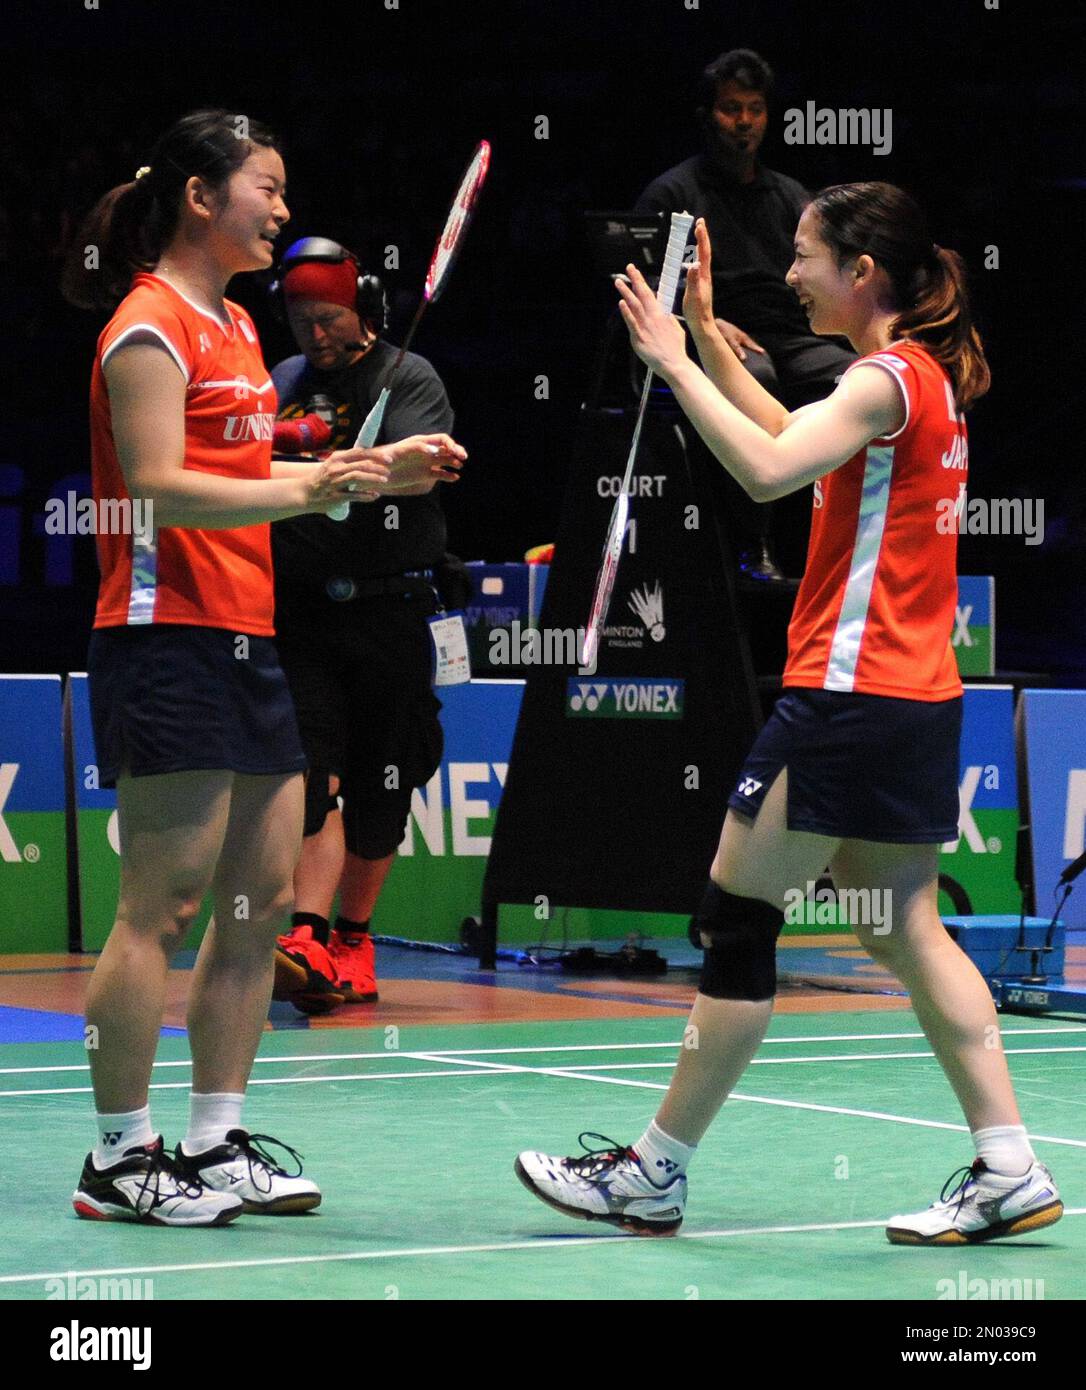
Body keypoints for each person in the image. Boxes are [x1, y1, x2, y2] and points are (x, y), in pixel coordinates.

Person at [515, 185, 1063, 1246]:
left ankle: (653, 1172)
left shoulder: (881, 376)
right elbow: (785, 436)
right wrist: (712, 348)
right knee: (899, 923)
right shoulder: (922, 381)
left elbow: (765, 465)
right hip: (914, 700)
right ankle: (1008, 1165)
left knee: (735, 921)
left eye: (807, 257)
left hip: (847, 698)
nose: (793, 275)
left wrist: (669, 359)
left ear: (864, 272)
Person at [61, 109, 465, 1225]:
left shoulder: (237, 329)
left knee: (260, 902)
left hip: (251, 636)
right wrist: (311, 489)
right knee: (163, 904)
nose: (284, 212)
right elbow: (154, 485)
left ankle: (213, 1137)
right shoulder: (148, 327)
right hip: (164, 633)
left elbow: (262, 470)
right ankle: (119, 1155)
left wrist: (375, 470)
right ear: (202, 195)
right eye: (268, 189)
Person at [269, 238, 463, 1007]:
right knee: (312, 774)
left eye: (328, 318)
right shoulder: (280, 382)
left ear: (363, 310)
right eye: (298, 318)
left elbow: (419, 476)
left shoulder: (407, 376)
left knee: (387, 777)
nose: (314, 335)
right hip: (303, 612)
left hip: (391, 608)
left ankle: (355, 940)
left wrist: (346, 465)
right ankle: (307, 936)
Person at [634, 48, 856, 579]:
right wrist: (701, 323)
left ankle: (842, 540)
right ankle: (750, 545)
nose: (744, 123)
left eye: (755, 109)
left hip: (790, 334)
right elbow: (642, 292)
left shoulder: (790, 196)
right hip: (713, 335)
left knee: (853, 377)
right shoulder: (672, 194)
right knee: (756, 378)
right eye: (731, 109)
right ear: (706, 116)